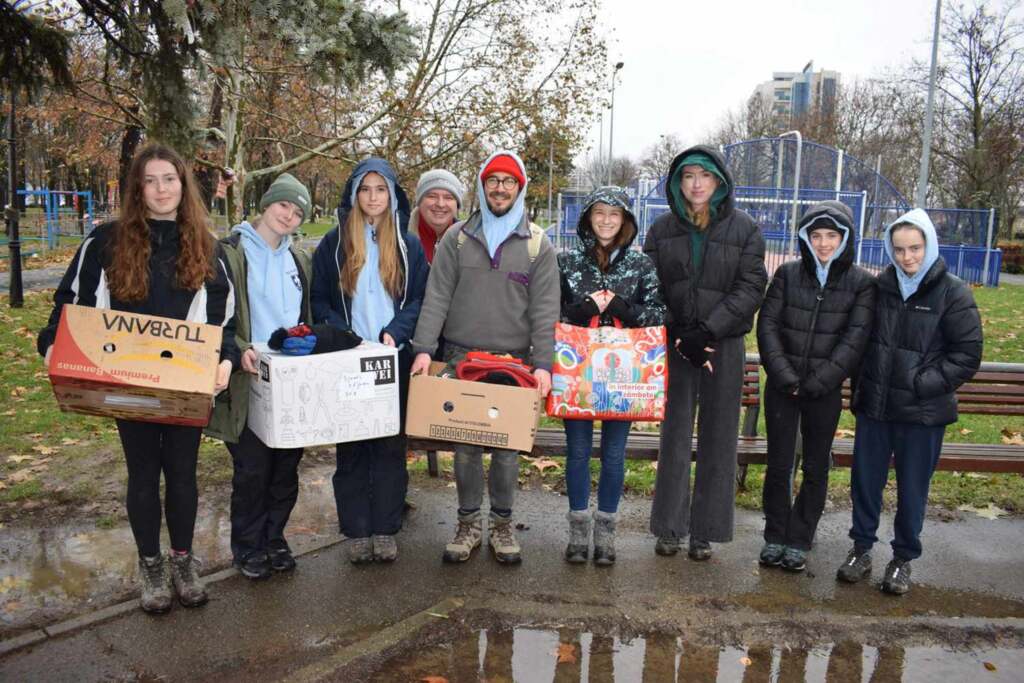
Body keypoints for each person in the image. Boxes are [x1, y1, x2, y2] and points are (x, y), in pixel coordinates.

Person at [37, 143, 238, 614]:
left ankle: (183, 561)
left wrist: (225, 361)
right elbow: (71, 306)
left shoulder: (207, 247)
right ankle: (151, 565)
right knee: (143, 473)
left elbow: (223, 320)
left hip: (186, 387)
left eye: (170, 179)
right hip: (126, 384)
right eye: (151, 180)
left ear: (183, 186)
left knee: (184, 475)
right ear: (138, 188)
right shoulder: (105, 242)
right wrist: (52, 346)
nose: (162, 189)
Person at [410, 151, 559, 565]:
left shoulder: (537, 244)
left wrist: (543, 364)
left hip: (514, 362)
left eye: (508, 181)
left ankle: (502, 525)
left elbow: (546, 310)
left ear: (520, 187)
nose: (499, 188)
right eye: (492, 180)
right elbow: (436, 298)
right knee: (466, 448)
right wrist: (424, 350)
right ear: (481, 187)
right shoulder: (457, 238)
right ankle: (467, 524)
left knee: (508, 448)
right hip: (462, 358)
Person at [837, 208, 982, 595]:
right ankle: (861, 549)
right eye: (899, 249)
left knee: (911, 489)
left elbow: (967, 355)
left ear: (929, 245)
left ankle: (903, 559)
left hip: (922, 414)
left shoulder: (953, 292)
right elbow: (859, 339)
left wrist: (922, 383)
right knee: (865, 483)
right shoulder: (878, 287)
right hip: (876, 409)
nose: (907, 257)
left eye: (915, 248)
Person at [644, 145, 767, 560]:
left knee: (719, 436)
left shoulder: (745, 228)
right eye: (687, 176)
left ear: (719, 181)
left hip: (724, 345)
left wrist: (708, 330)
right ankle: (670, 527)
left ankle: (706, 530)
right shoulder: (662, 230)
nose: (696, 183)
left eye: (704, 175)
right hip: (677, 345)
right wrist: (680, 332)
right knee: (675, 436)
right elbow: (651, 287)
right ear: (678, 183)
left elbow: (750, 288)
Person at [311, 158, 427, 565]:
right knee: (353, 448)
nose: (373, 197)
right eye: (366, 189)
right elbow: (320, 300)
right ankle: (357, 529)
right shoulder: (334, 242)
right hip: (349, 360)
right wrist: (345, 336)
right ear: (355, 195)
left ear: (392, 195)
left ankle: (385, 528)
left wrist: (397, 330)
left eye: (381, 189)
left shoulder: (408, 245)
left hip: (392, 360)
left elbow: (418, 300)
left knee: (389, 448)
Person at [756, 201, 876, 572]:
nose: (823, 243)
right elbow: (768, 327)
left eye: (831, 236)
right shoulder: (788, 275)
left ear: (844, 240)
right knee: (779, 464)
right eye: (816, 235)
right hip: (783, 387)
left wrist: (820, 381)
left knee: (814, 466)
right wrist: (785, 376)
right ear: (805, 238)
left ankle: (800, 536)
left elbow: (855, 340)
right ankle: (775, 533)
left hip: (823, 392)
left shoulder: (860, 284)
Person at [205, 173, 313, 580]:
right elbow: (216, 312)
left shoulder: (298, 261)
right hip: (245, 378)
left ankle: (275, 539)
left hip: (291, 381)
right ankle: (247, 546)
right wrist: (238, 346)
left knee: (286, 467)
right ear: (267, 203)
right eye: (284, 205)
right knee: (253, 469)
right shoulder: (230, 252)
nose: (289, 215)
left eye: (298, 211)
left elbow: (305, 321)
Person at [557, 186, 665, 566]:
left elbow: (658, 315)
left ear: (625, 221)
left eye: (614, 214)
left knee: (614, 454)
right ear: (588, 218)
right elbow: (551, 311)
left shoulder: (641, 266)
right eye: (599, 212)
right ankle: (577, 531)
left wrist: (624, 307)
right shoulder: (566, 262)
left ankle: (606, 533)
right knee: (579, 452)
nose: (606, 220)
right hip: (577, 373)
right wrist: (579, 308)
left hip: (625, 377)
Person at [410, 169, 466, 265]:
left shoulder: (469, 241)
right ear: (419, 201)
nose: (440, 204)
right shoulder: (397, 238)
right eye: (432, 196)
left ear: (457, 205)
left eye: (448, 197)